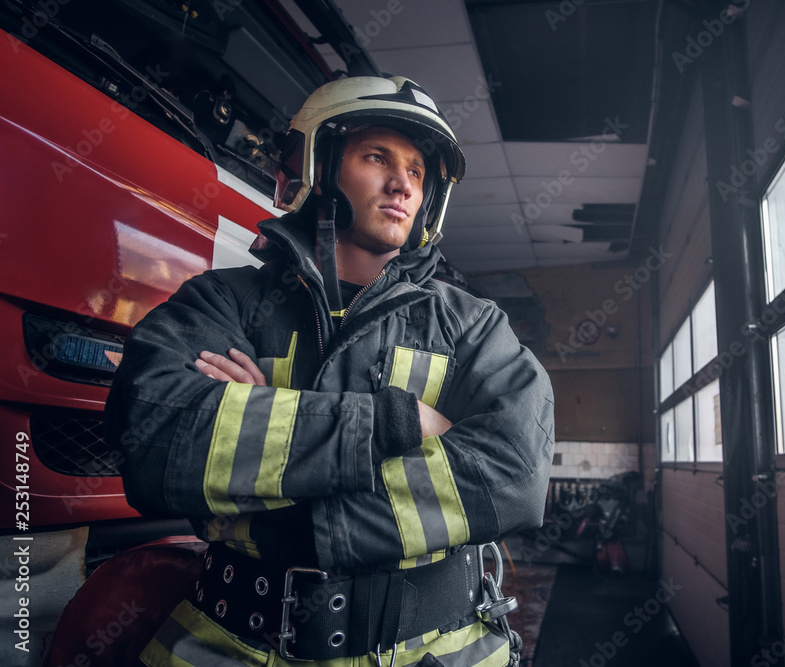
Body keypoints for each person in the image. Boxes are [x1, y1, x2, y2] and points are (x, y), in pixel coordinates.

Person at [104, 74, 555, 667]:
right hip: (228, 644)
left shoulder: (473, 327)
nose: (402, 184)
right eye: (377, 157)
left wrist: (262, 433)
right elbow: (153, 441)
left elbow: (517, 478)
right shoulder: (221, 302)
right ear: (317, 167)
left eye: (417, 171)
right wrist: (403, 422)